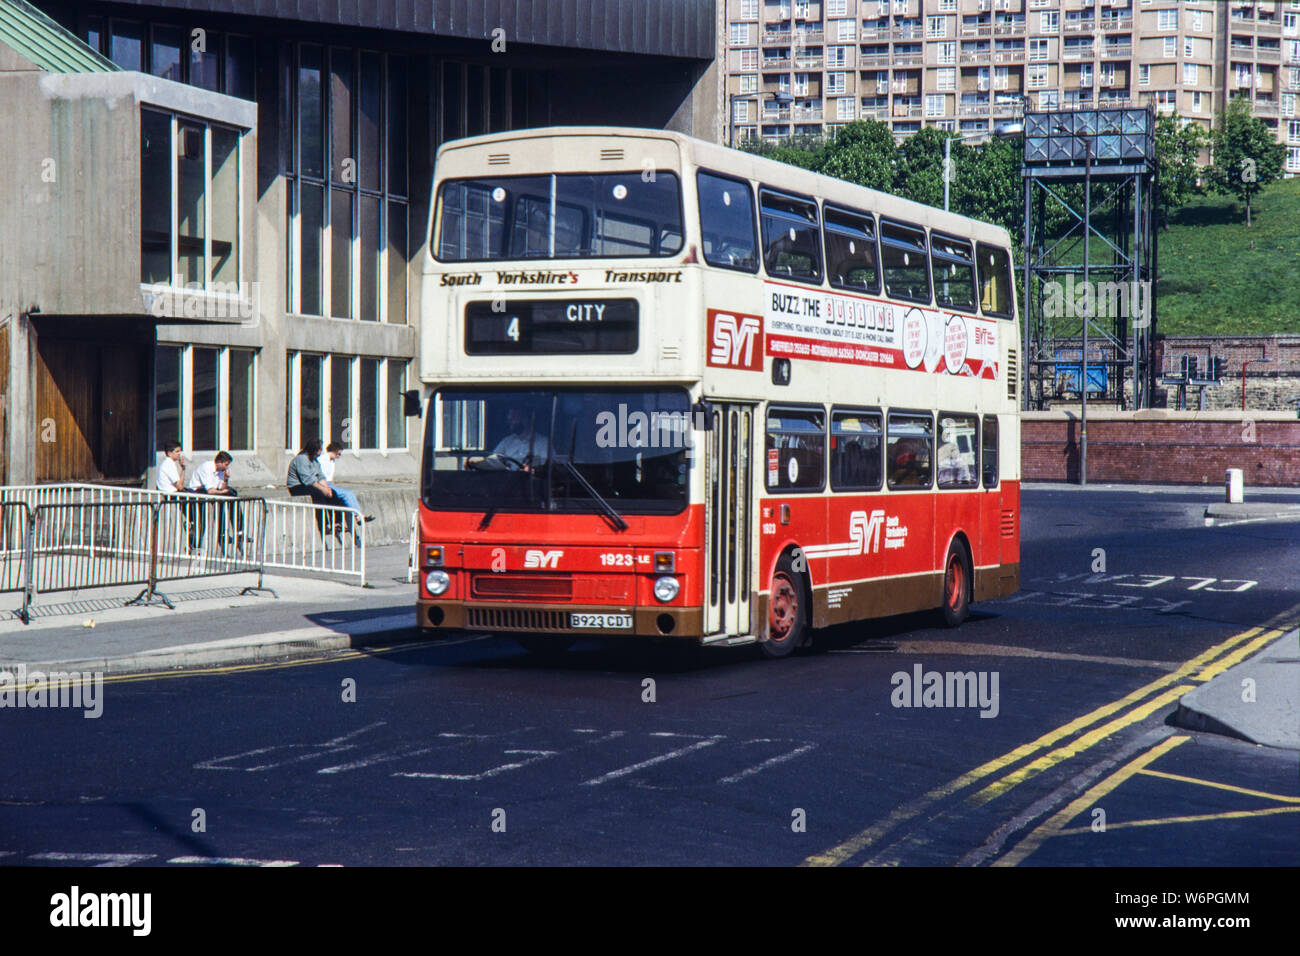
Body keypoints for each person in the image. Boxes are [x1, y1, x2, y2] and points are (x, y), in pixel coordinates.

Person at [467, 406, 550, 471]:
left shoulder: (543, 443)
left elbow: (549, 468)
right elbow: (494, 461)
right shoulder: (506, 442)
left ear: (525, 419)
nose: (509, 420)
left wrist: (531, 470)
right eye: (509, 417)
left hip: (532, 489)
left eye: (514, 417)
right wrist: (476, 462)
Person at [317, 442, 374, 526]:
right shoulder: (322, 460)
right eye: (338, 454)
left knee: (346, 496)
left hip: (328, 483)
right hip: (323, 484)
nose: (339, 456)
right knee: (347, 493)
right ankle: (358, 516)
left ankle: (356, 517)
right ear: (334, 451)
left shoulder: (332, 460)